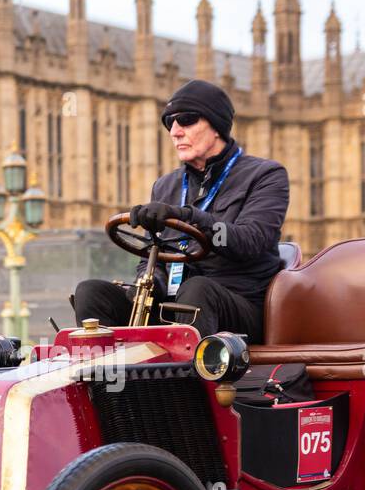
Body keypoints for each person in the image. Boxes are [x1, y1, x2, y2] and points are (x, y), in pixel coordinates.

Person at [73, 79, 290, 343]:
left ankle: (188, 383)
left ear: (217, 127)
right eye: (169, 123)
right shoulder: (166, 185)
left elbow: (250, 241)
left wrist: (188, 216)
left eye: (186, 120)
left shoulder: (266, 175)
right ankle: (110, 382)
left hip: (237, 306)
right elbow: (151, 254)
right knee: (91, 292)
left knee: (197, 290)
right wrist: (151, 283)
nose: (175, 131)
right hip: (173, 304)